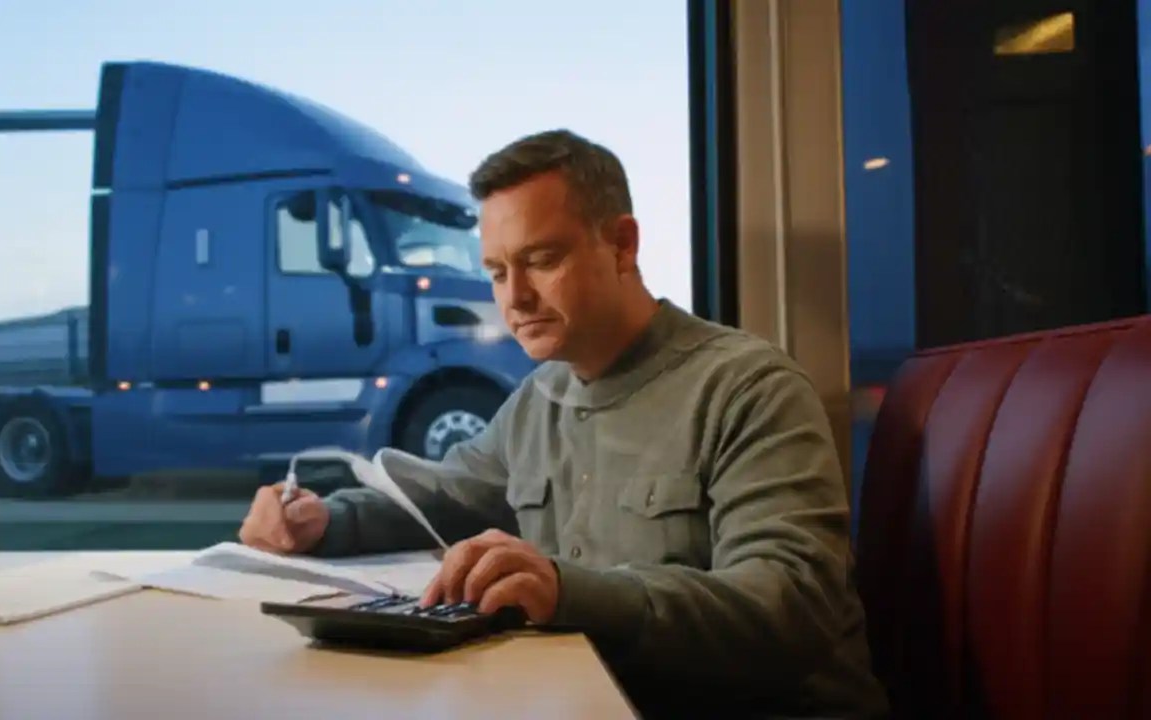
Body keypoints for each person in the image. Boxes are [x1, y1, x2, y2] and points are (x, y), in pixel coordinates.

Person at [239, 129, 889, 719]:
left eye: (542, 259)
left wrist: (567, 593)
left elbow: (787, 609)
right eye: (498, 272)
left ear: (623, 245)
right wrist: (323, 521)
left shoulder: (749, 389)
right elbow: (442, 497)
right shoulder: (538, 401)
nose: (514, 298)